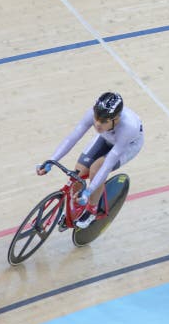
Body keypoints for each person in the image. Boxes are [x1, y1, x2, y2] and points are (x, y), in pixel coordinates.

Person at [36, 92, 144, 229]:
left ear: (116, 119)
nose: (97, 124)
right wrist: (51, 160)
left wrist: (89, 191)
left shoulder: (128, 128)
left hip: (127, 146)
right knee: (78, 172)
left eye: (103, 121)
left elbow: (109, 163)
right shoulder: (94, 115)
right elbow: (73, 137)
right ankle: (75, 210)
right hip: (106, 138)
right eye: (96, 118)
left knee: (96, 169)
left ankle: (92, 209)